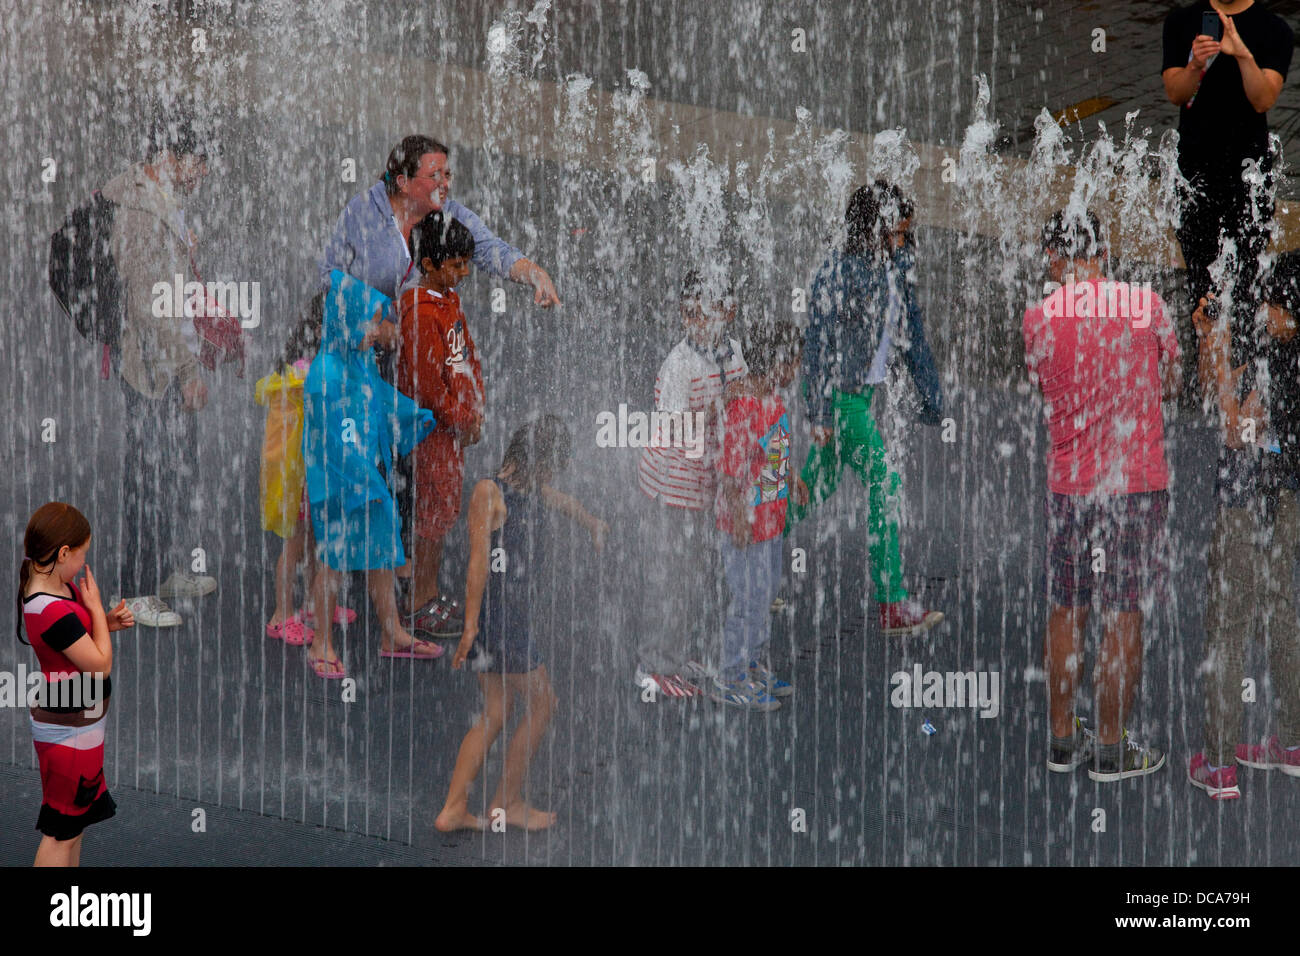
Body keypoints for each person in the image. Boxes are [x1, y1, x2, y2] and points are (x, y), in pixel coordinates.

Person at [319, 134, 561, 632]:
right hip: (374, 364)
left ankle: (399, 575)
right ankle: (365, 584)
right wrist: (370, 329)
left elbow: (489, 249)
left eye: (448, 174)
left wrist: (532, 272)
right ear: (403, 181)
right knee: (373, 471)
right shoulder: (363, 214)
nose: (446, 184)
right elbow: (331, 279)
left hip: (420, 370)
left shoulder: (447, 223)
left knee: (418, 482)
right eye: (437, 175)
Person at [1023, 210, 1181, 782]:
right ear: (1103, 249)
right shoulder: (1148, 306)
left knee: (1067, 605)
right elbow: (1174, 383)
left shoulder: (1039, 316)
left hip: (1070, 486)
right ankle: (1112, 749)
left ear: (1053, 257)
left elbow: (1044, 384)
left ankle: (1063, 741)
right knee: (1121, 612)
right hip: (1135, 485)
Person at [435, 416, 607, 832]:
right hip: (501, 621)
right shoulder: (488, 494)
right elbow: (477, 563)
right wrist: (471, 626)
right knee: (544, 703)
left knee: (496, 711)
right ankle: (506, 803)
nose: (552, 477)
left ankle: (454, 809)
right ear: (539, 462)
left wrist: (592, 523)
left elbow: (563, 501)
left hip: (498, 619)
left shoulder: (527, 488)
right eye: (552, 466)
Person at [791, 180, 944, 636]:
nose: (904, 241)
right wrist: (817, 412)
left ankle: (751, 539)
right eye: (896, 233)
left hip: (858, 395)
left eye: (906, 233)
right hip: (842, 400)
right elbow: (816, 345)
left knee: (816, 485)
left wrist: (930, 396)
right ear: (873, 229)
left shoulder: (893, 264)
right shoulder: (840, 271)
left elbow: (912, 327)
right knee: (885, 482)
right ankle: (891, 603)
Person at [1188, 252, 1300, 799]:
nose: (1263, 308)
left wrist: (1213, 339)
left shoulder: (1278, 360)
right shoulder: (1281, 348)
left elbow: (1236, 428)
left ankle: (1219, 763)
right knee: (1283, 612)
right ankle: (1294, 743)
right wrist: (1219, 344)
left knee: (1228, 626)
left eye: (1272, 303)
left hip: (1247, 499)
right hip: (1290, 499)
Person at [103, 111, 220, 628]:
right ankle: (135, 592)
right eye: (198, 165)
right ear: (172, 159)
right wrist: (188, 367)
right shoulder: (140, 209)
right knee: (147, 475)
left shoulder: (162, 201)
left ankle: (163, 571)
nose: (202, 177)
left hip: (170, 363)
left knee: (173, 468)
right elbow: (149, 305)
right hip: (153, 368)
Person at [302, 270, 436, 677]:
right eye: (370, 321)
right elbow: (328, 445)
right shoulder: (325, 375)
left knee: (381, 553)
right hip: (341, 484)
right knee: (333, 561)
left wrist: (415, 415)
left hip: (368, 479)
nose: (377, 331)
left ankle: (392, 631)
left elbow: (380, 400)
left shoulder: (359, 362)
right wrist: (363, 476)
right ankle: (320, 641)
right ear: (344, 321)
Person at [634, 270, 748, 698]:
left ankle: (674, 655)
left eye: (704, 312)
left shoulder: (732, 352)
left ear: (728, 311)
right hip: (671, 488)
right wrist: (722, 414)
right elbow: (675, 430)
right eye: (689, 312)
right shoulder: (679, 365)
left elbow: (743, 397)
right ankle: (652, 665)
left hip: (702, 487)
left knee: (691, 577)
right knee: (668, 579)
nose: (694, 320)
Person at [1162, 2, 1294, 344]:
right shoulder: (1182, 21)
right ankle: (1206, 368)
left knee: (1248, 276)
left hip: (1248, 179)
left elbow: (1263, 99)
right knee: (1200, 280)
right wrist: (1196, 64)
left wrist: (1242, 55)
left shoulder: (1274, 29)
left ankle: (1244, 367)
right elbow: (1177, 94)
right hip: (1196, 175)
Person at [18, 502, 134, 866]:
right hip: (68, 731)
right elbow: (99, 666)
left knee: (74, 825)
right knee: (60, 832)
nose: (84, 565)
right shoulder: (49, 606)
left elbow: (69, 640)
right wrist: (98, 610)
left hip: (79, 724)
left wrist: (105, 624)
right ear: (63, 552)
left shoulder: (55, 586)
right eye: (82, 555)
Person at [396, 212, 484, 643]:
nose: (465, 272)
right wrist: (464, 417)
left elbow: (465, 357)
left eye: (467, 263)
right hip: (433, 434)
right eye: (457, 264)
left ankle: (425, 593)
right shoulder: (418, 314)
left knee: (442, 510)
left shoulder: (447, 302)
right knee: (432, 515)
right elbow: (428, 389)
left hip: (451, 430)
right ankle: (418, 603)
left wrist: (476, 405)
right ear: (428, 265)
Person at [712, 318, 808, 710]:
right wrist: (737, 517)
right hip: (746, 524)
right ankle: (729, 674)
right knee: (746, 597)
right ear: (778, 364)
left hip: (770, 521)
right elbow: (729, 472)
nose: (797, 371)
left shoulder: (772, 399)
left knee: (764, 593)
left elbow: (775, 446)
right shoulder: (745, 408)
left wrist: (793, 475)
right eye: (794, 363)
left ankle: (750, 663)